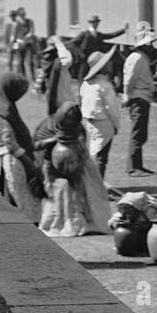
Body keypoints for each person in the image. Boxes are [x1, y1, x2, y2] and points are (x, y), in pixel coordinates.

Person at [38, 101, 111, 237]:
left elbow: (83, 143)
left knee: (86, 192)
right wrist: (52, 141)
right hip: (53, 167)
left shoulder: (78, 126)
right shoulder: (47, 125)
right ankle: (62, 222)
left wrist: (79, 153)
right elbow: (36, 145)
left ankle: (87, 221)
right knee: (62, 192)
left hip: (78, 164)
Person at [0, 72, 43, 223]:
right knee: (6, 190)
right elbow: (9, 141)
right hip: (3, 158)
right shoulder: (4, 110)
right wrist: (27, 161)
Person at [122, 22, 157, 176]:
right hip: (139, 98)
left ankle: (138, 165)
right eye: (150, 44)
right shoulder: (137, 59)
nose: (152, 47)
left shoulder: (139, 58)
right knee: (137, 133)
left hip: (141, 98)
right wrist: (127, 95)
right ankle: (133, 167)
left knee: (140, 133)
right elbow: (129, 80)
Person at [79, 48, 122, 178]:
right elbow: (112, 109)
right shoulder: (105, 85)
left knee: (93, 153)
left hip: (88, 122)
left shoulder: (86, 84)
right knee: (101, 157)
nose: (110, 64)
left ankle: (94, 183)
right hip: (104, 124)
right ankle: (98, 185)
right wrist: (116, 125)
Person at [72, 15, 127, 80]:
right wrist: (80, 54)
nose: (95, 24)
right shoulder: (84, 34)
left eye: (97, 22)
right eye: (94, 22)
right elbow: (72, 44)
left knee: (94, 78)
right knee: (82, 78)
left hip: (95, 61)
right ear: (90, 23)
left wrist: (123, 30)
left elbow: (110, 35)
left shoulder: (98, 35)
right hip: (84, 61)